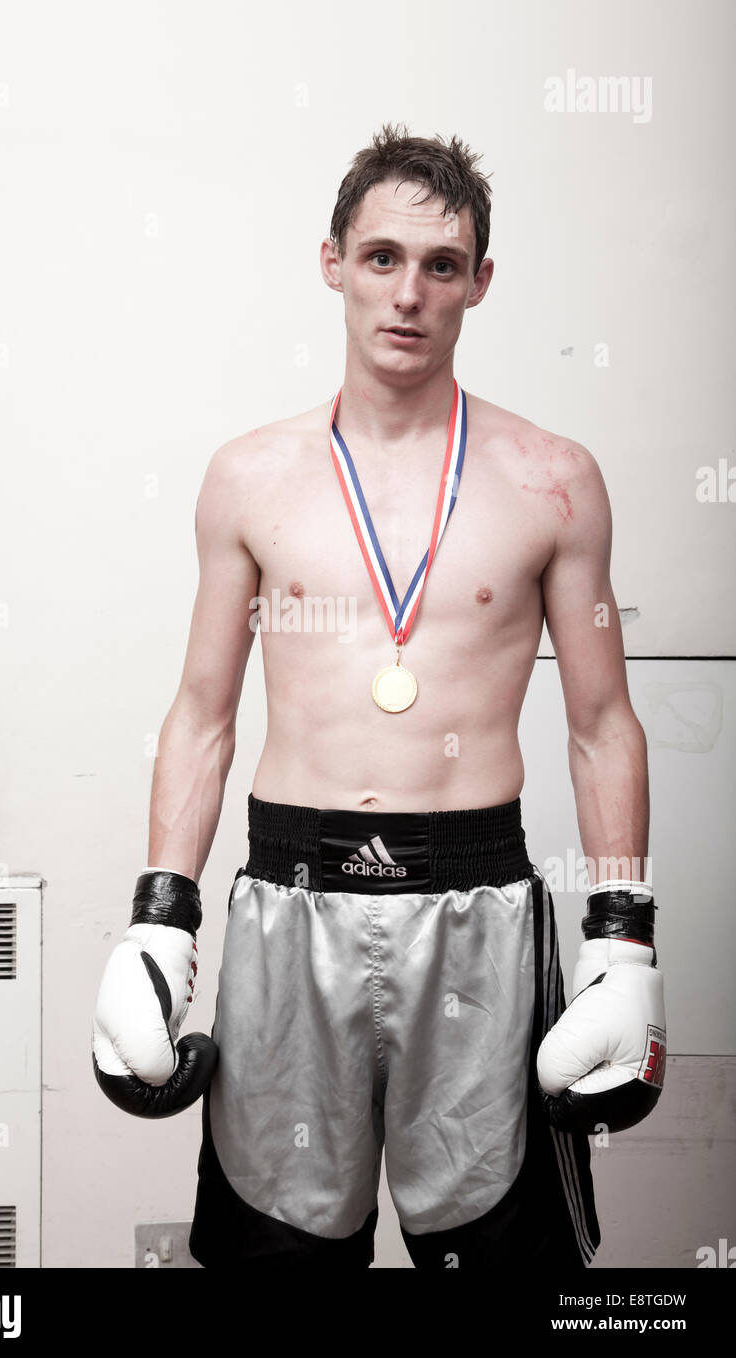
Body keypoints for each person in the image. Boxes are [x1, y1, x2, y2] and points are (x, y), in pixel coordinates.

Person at [92, 123, 666, 1270]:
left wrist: (621, 940)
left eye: (440, 266)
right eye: (381, 258)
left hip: (480, 910)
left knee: (508, 1262)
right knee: (279, 1256)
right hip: (287, 901)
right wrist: (161, 917)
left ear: (479, 283)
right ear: (331, 262)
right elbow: (203, 710)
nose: (408, 294)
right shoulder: (247, 476)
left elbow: (600, 721)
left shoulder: (552, 477)